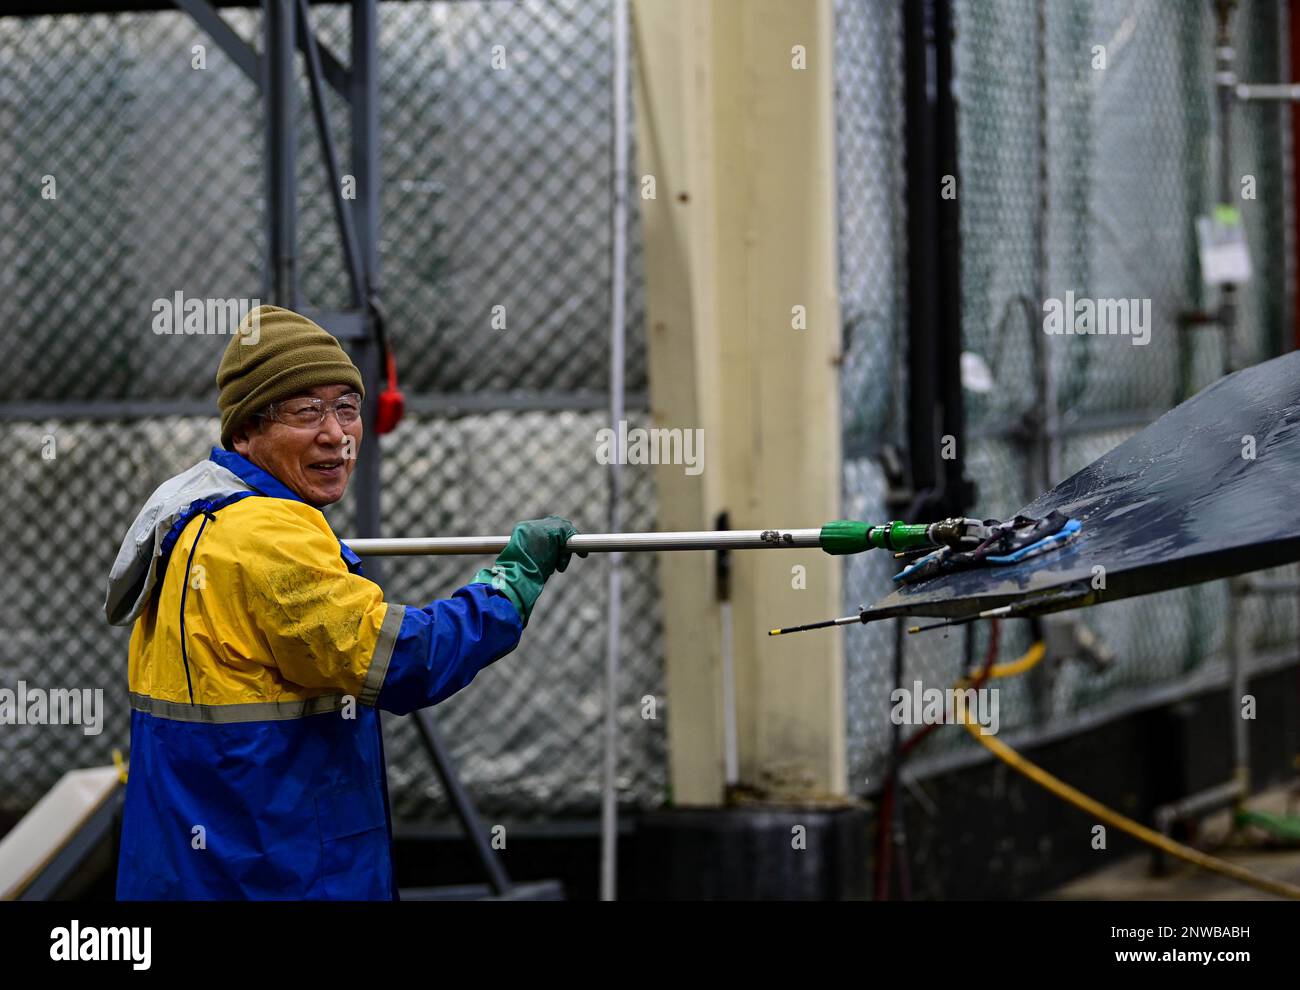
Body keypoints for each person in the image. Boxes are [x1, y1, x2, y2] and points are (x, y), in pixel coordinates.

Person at [103, 304, 578, 899]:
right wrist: (509, 587)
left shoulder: (190, 518)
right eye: (305, 412)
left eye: (346, 409)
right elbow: (405, 661)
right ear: (246, 430)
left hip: (188, 872)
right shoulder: (271, 537)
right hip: (276, 876)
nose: (336, 435)